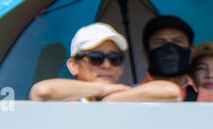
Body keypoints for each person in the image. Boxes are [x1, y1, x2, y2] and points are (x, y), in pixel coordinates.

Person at [29, 23, 181, 102]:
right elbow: (41, 91)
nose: (107, 65)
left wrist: (114, 98)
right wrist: (101, 89)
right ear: (73, 65)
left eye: (115, 59)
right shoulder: (64, 97)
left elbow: (172, 91)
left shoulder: (130, 92)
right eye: (96, 58)